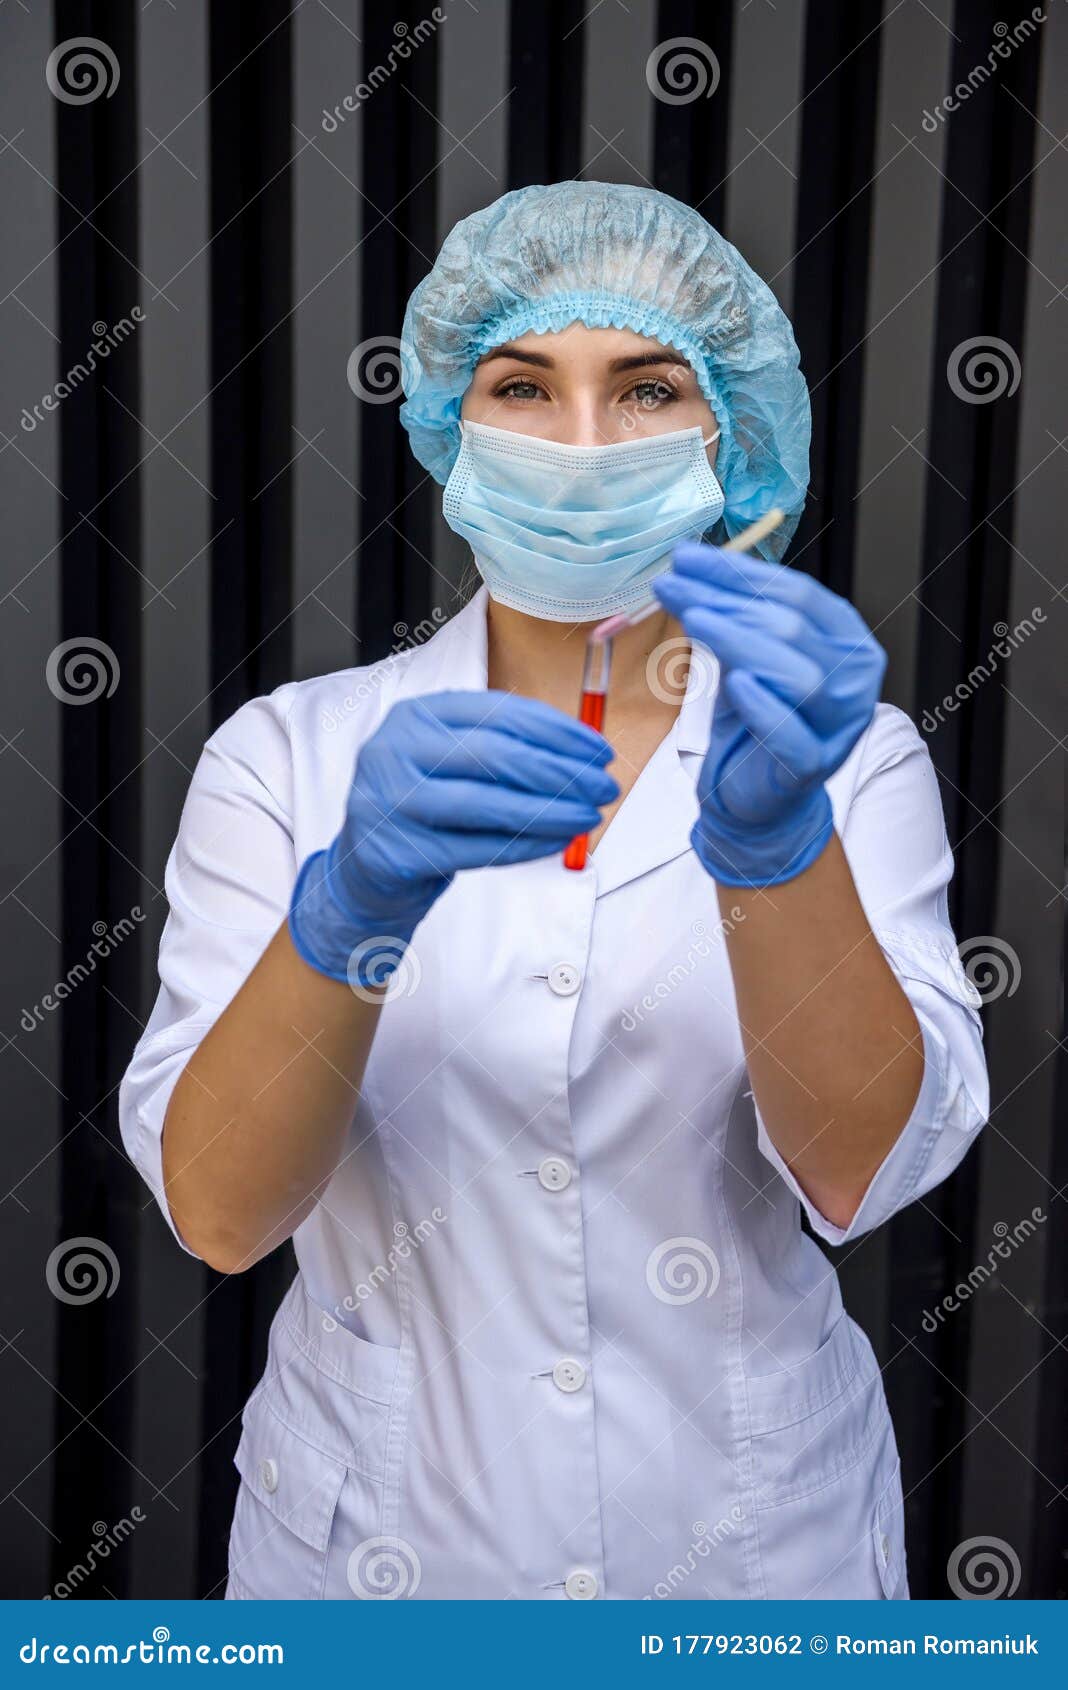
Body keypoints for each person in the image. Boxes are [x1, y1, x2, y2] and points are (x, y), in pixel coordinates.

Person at [120, 181, 988, 1601]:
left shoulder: (848, 759)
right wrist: (349, 906)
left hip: (754, 1564)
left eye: (647, 388)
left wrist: (781, 849)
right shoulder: (290, 756)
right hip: (379, 1559)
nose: (583, 444)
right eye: (525, 385)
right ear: (455, 425)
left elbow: (859, 1169)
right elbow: (219, 1211)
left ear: (732, 436)